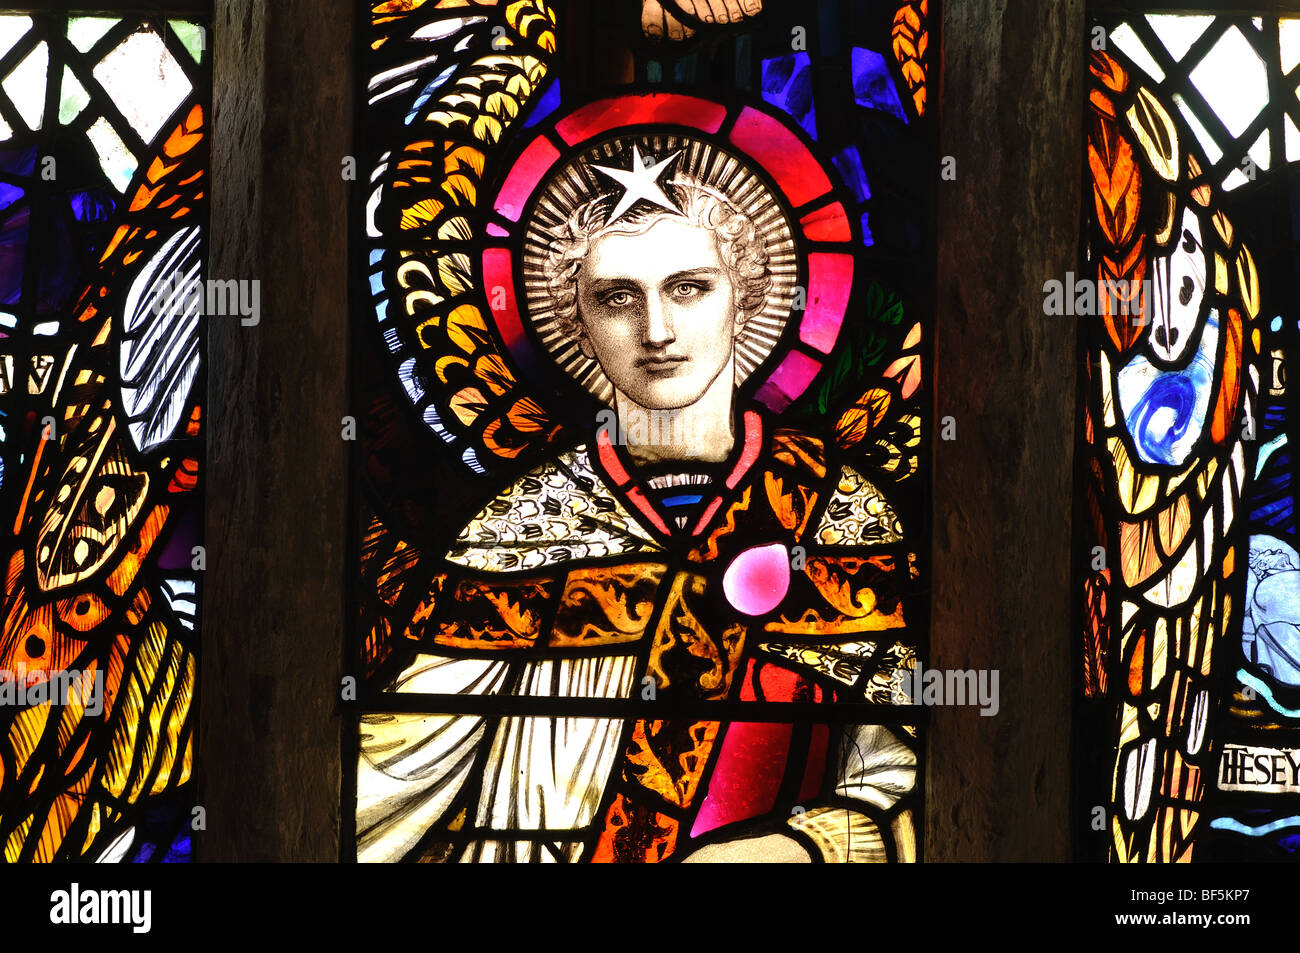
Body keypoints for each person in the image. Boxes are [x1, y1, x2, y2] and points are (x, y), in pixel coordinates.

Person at [357, 153, 918, 863]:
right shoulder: (518, 529)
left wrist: (806, 848)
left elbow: (912, 779)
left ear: (746, 297)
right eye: (618, 297)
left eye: (689, 287)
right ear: (576, 322)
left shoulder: (835, 515)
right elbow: (386, 787)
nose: (656, 330)